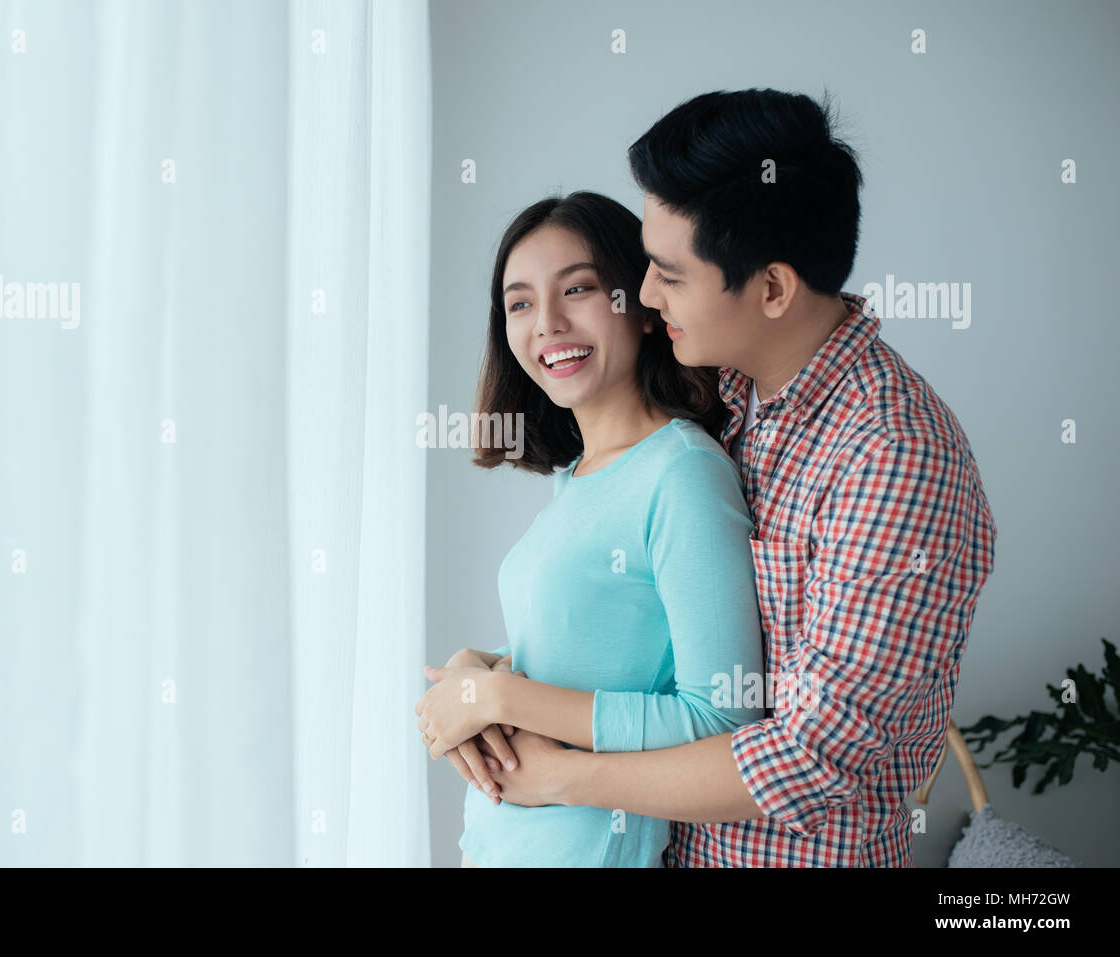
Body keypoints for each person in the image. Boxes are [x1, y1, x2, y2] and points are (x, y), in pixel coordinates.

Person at [470, 89, 998, 868]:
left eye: (668, 275)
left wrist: (558, 775)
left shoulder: (892, 458)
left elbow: (811, 759)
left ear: (774, 288)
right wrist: (487, 683)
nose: (644, 295)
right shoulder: (737, 398)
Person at [414, 190, 765, 866]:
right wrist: (481, 671)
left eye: (577, 289)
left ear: (641, 303)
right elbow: (599, 656)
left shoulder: (683, 473)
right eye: (519, 302)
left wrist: (503, 695)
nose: (546, 322)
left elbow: (722, 720)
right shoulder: (578, 473)